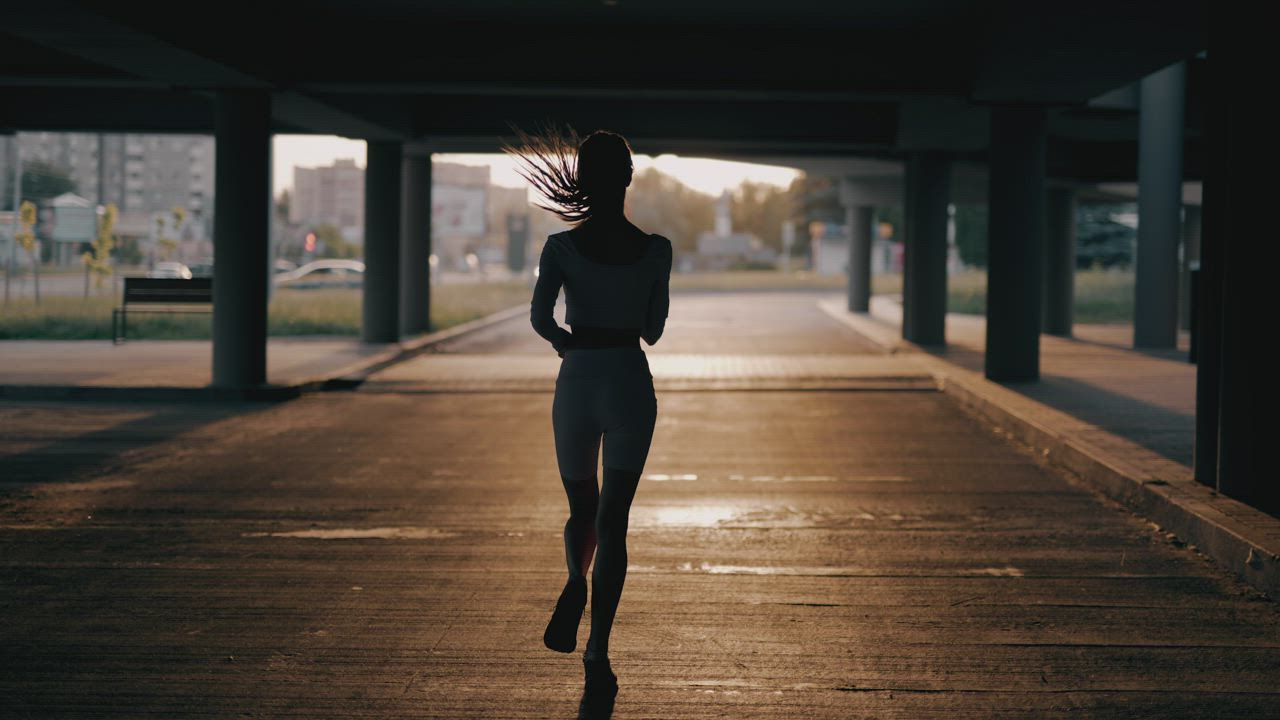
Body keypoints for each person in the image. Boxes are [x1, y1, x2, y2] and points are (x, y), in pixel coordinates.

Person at [503, 124, 671, 718]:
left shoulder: (560, 248)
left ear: (580, 179)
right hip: (629, 379)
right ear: (628, 178)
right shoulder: (656, 249)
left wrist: (566, 343)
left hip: (577, 381)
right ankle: (598, 649)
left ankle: (576, 578)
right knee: (614, 521)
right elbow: (654, 330)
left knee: (582, 508)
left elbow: (540, 319)